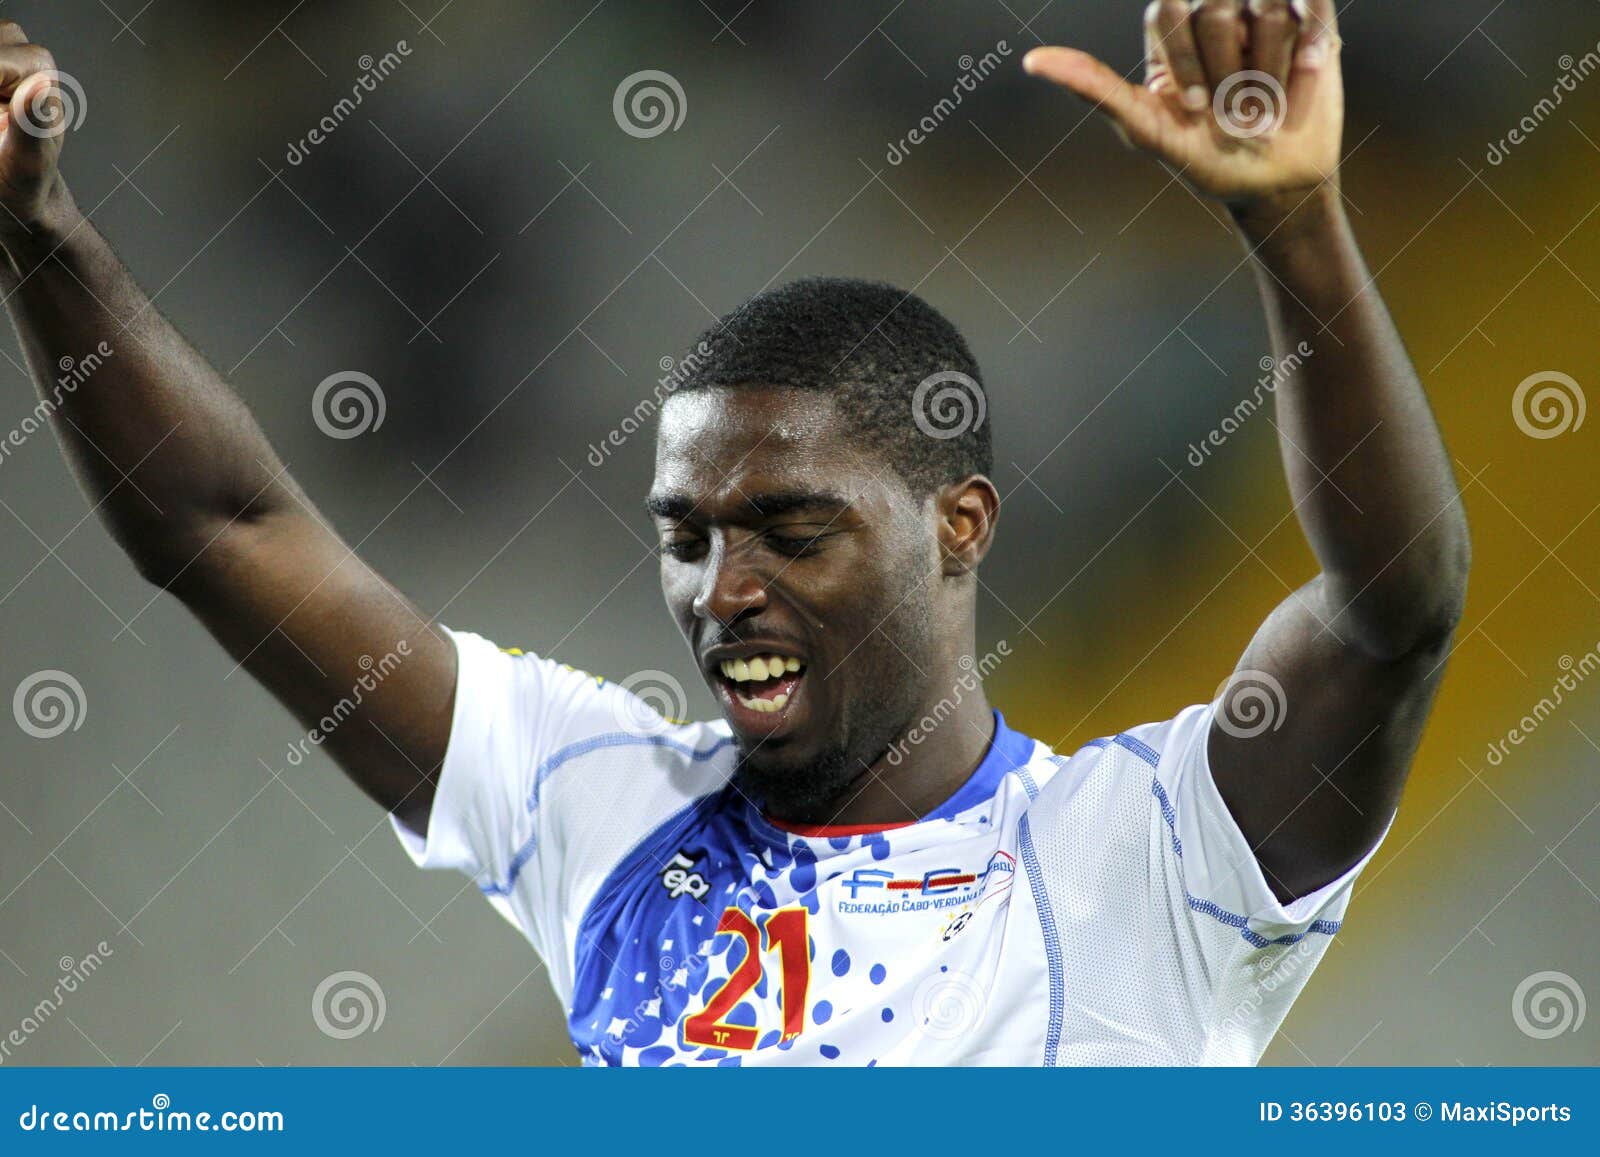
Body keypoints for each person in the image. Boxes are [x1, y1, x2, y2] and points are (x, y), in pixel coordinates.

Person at [0, 0, 1468, 1065]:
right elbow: (222, 527)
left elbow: (1393, 607)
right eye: (688, 534)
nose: (726, 590)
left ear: (958, 526)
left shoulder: (1151, 850)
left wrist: (1297, 234)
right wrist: (43, 229)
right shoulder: (610, 811)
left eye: (789, 530)